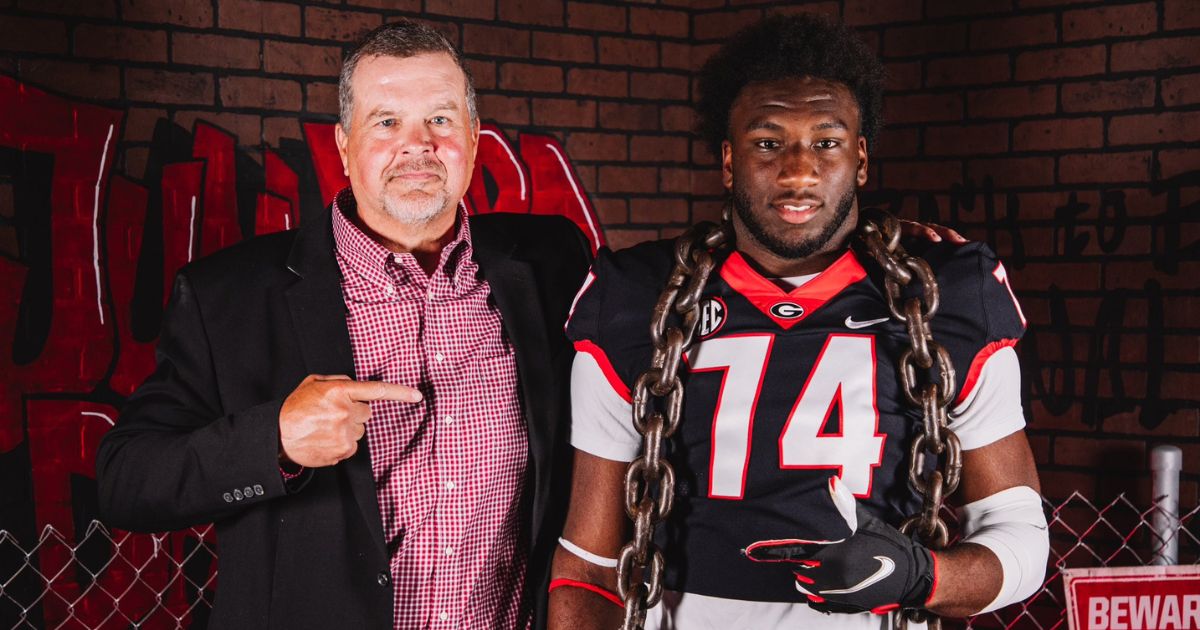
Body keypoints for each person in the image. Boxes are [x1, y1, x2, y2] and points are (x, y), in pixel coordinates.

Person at [549, 14, 1048, 629]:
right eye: (767, 142)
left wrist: (925, 575)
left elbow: (1021, 536)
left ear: (860, 159)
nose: (798, 171)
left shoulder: (947, 293)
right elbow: (588, 564)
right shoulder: (635, 297)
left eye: (826, 142)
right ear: (728, 161)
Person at [97, 20, 591, 629]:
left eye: (440, 119)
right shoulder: (229, 297)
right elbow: (125, 478)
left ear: (473, 136)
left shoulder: (550, 261)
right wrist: (273, 439)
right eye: (387, 122)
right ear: (342, 145)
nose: (419, 145)